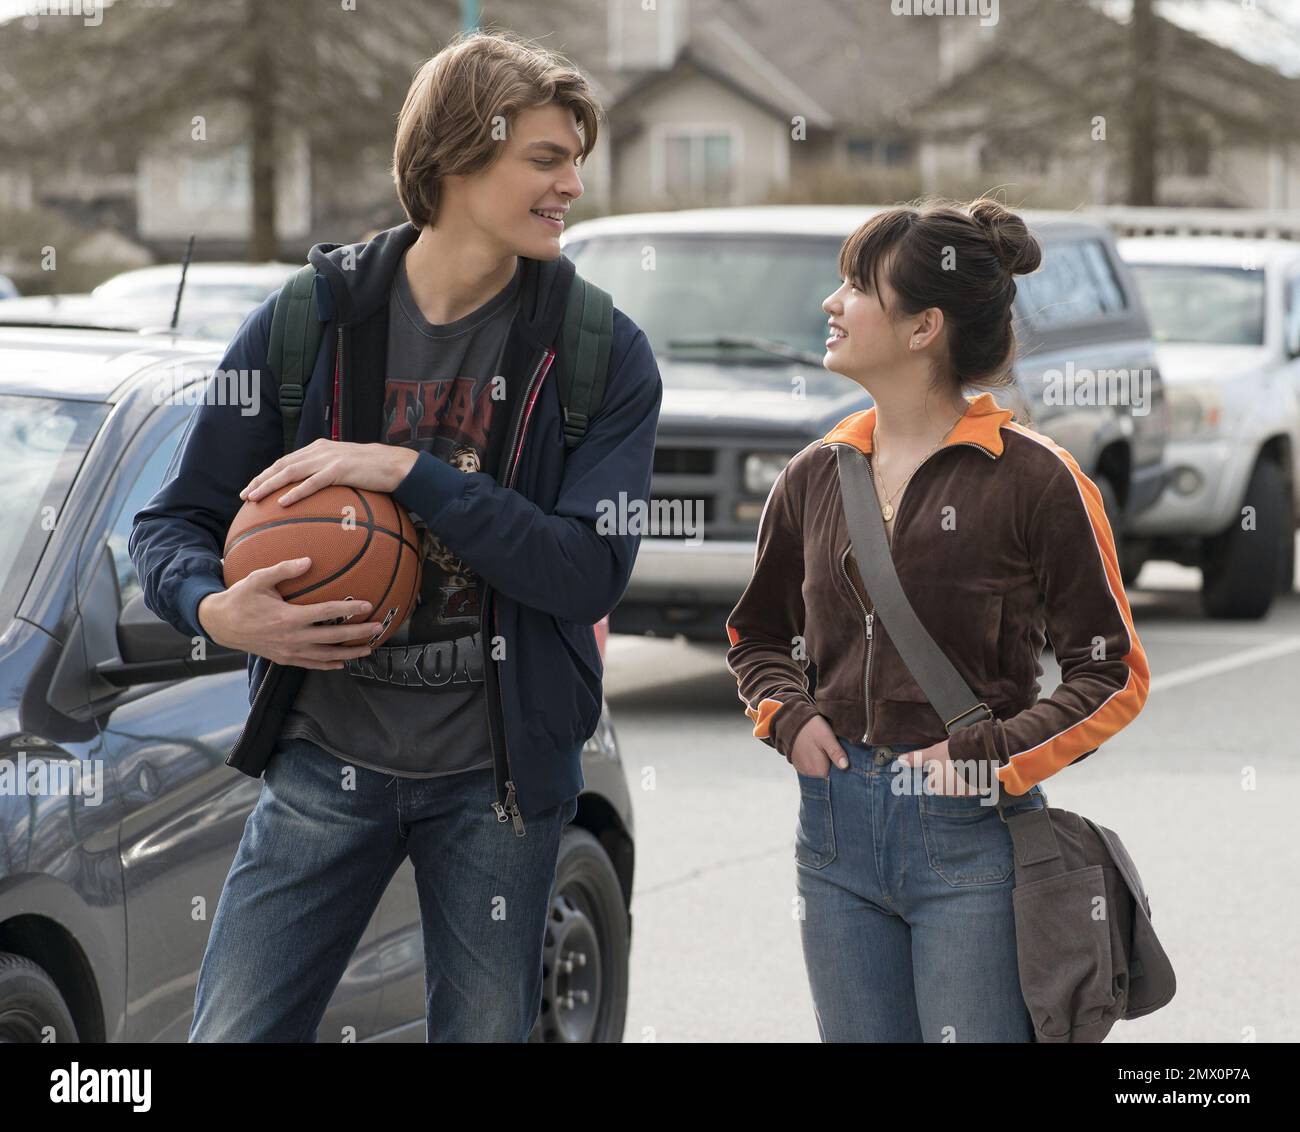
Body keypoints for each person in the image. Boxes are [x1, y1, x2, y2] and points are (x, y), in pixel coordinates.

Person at [129, 29, 661, 1042]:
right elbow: (174, 519)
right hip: (321, 758)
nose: (572, 188)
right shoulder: (310, 319)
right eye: (545, 161)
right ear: (459, 160)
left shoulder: (599, 351)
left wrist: (407, 472)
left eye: (575, 162)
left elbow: (587, 567)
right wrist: (214, 608)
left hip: (496, 785)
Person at [724, 197, 1150, 1042]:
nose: (830, 304)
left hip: (973, 837)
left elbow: (1113, 674)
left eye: (856, 286)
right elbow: (756, 634)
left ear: (924, 328)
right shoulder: (815, 473)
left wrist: (989, 754)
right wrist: (788, 714)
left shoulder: (1038, 478)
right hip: (834, 829)